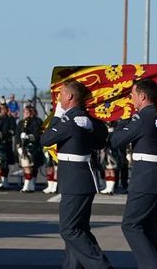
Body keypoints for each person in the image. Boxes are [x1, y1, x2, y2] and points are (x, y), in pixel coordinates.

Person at [112, 79, 157, 269]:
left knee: (131, 225)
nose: (131, 97)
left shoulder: (142, 118)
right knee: (148, 227)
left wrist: (122, 122)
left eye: (133, 94)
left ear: (142, 97)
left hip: (146, 177)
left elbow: (116, 141)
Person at [40, 79, 112, 269]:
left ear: (70, 97)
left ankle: (101, 266)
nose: (59, 97)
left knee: (69, 230)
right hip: (82, 180)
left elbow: (46, 139)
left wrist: (56, 116)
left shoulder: (69, 121)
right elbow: (101, 139)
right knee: (79, 230)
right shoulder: (87, 120)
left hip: (75, 182)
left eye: (61, 94)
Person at [17, 103, 45, 193]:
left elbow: (37, 135)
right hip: (23, 147)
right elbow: (17, 136)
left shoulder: (36, 122)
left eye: (28, 112)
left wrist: (28, 137)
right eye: (25, 112)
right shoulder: (21, 123)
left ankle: (28, 185)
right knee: (26, 166)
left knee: (30, 167)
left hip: (32, 147)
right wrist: (18, 146)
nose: (26, 114)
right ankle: (30, 185)